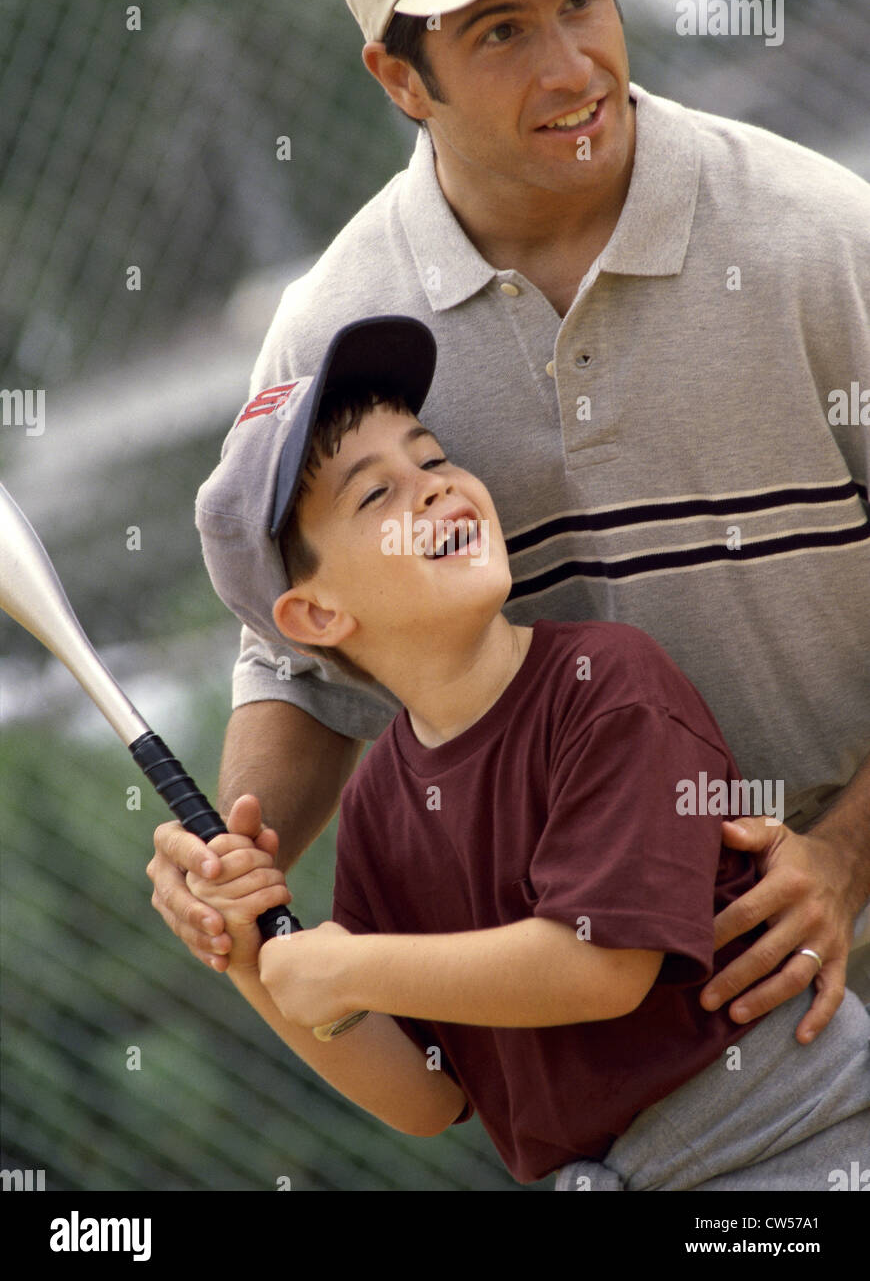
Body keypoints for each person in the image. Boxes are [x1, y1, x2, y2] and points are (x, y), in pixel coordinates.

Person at [149, 0, 870, 1043]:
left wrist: (841, 859)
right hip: (609, 1031)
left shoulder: (824, 240)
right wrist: (239, 861)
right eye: (501, 31)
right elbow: (301, 660)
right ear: (398, 78)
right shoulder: (332, 327)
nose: (574, 64)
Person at [187, 314, 869, 1190]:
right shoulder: (380, 807)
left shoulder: (609, 687)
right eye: (375, 495)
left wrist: (347, 966)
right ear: (318, 617)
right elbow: (426, 1100)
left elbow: (599, 966)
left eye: (431, 459)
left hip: (790, 1143)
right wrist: (257, 960)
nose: (432, 489)